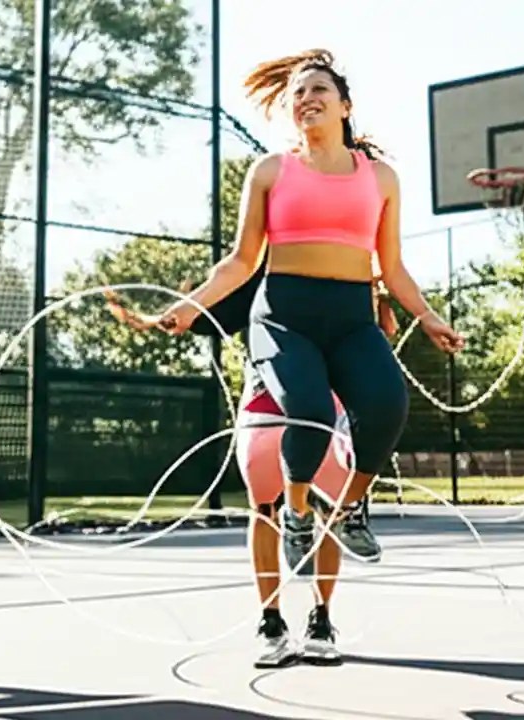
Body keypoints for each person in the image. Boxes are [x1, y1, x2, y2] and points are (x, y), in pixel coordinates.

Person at [149, 49, 464, 575]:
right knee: (310, 411)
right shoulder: (271, 171)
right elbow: (242, 260)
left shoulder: (381, 178)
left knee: (387, 403)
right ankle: (296, 513)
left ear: (345, 104)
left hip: (350, 319)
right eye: (297, 93)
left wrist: (427, 316)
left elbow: (391, 266)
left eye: (318, 89)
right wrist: (191, 305)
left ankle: (351, 507)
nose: (306, 98)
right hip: (284, 317)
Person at [106, 266, 401, 669]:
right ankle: (271, 621)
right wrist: (179, 312)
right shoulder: (261, 278)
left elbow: (382, 333)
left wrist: (379, 294)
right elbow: (211, 313)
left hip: (324, 408)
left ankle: (321, 619)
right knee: (265, 509)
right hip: (265, 406)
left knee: (329, 511)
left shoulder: (340, 271)